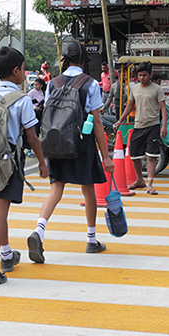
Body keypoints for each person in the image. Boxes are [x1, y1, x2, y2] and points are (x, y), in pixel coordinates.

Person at [27, 39, 113, 265]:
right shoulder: (91, 84)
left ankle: (39, 231)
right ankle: (91, 239)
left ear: (63, 58)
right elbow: (96, 122)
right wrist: (105, 156)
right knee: (88, 190)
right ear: (82, 58)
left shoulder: (52, 83)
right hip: (81, 144)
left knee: (56, 190)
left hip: (56, 143)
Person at [0, 46, 48, 287]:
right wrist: (41, 163)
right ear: (17, 71)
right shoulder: (22, 100)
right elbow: (32, 138)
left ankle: (7, 255)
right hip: (8, 162)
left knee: (0, 210)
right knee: (0, 214)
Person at [116, 62, 166, 194]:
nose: (142, 77)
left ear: (150, 75)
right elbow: (130, 105)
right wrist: (120, 121)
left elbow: (163, 108)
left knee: (151, 156)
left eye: (144, 75)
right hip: (138, 125)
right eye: (140, 75)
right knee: (135, 155)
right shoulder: (134, 89)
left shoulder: (157, 89)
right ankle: (139, 180)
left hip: (153, 126)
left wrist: (164, 126)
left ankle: (149, 184)